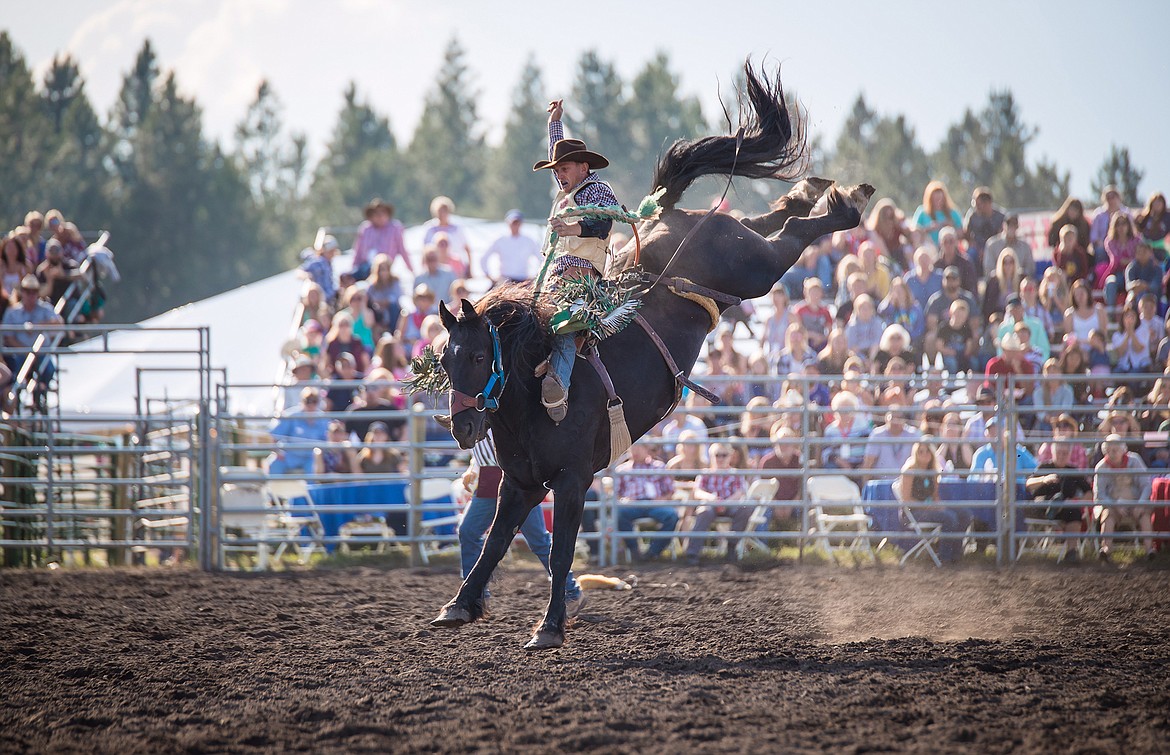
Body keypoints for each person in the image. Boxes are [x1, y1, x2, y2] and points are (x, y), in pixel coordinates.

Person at [533, 97, 621, 423]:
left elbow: (604, 223)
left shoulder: (596, 189)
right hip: (555, 278)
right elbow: (560, 151)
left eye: (564, 169)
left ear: (584, 167)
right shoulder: (569, 190)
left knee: (566, 327)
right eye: (555, 171)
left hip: (583, 280)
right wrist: (553, 122)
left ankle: (558, 386)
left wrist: (571, 226)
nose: (558, 175)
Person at [458, 429, 584, 616]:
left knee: (538, 541)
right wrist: (473, 468)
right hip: (488, 481)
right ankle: (475, 592)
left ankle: (571, 591)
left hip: (516, 484)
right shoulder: (476, 419)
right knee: (468, 531)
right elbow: (481, 450)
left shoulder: (500, 415)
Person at [897, 439, 970, 563]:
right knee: (949, 518)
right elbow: (907, 500)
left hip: (928, 508)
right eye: (921, 451)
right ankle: (944, 557)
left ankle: (956, 554)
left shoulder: (933, 471)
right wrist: (928, 507)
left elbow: (935, 496)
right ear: (915, 453)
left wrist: (938, 505)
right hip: (912, 512)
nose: (925, 454)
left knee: (964, 514)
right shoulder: (909, 471)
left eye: (928, 451)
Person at [2, 274, 64, 409]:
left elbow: (59, 323)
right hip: (20, 354)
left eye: (34, 291)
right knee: (14, 374)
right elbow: (8, 337)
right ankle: (16, 407)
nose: (31, 295)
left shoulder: (45, 308)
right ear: (22, 292)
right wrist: (26, 351)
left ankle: (39, 394)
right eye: (27, 291)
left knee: (48, 370)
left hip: (41, 353)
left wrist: (39, 325)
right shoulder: (13, 312)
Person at [1025, 439, 1091, 562]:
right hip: (1041, 507)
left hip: (1065, 508)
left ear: (1070, 455)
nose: (1061, 456)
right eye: (1059, 452)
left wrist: (1076, 500)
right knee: (1047, 500)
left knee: (1074, 512)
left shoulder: (1073, 471)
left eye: (1065, 453)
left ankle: (1071, 552)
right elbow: (1028, 483)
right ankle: (1054, 505)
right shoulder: (1044, 467)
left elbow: (1088, 491)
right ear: (1053, 452)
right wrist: (1044, 479)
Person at [684, 442, 748, 564]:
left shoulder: (736, 473)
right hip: (711, 504)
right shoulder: (705, 473)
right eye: (717, 455)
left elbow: (740, 492)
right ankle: (692, 554)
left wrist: (726, 503)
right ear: (711, 456)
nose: (720, 458)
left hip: (730, 504)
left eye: (724, 455)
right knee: (703, 511)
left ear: (730, 456)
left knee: (745, 509)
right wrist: (712, 499)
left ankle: (731, 547)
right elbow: (698, 492)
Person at [614, 442, 679, 562]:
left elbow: (670, 491)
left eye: (639, 447)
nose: (635, 451)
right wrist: (624, 500)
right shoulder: (622, 470)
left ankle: (653, 552)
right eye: (632, 447)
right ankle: (634, 551)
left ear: (647, 449)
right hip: (633, 504)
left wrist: (661, 499)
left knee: (672, 516)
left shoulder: (659, 466)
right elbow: (616, 493)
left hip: (655, 503)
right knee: (619, 514)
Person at [1093, 434, 1154, 560]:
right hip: (1113, 504)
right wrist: (1114, 505)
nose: (1113, 452)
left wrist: (1140, 503)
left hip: (1135, 501)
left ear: (1123, 449)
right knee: (1107, 515)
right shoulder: (1101, 467)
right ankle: (1106, 548)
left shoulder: (1135, 461)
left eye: (1116, 449)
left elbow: (1146, 485)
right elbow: (1099, 493)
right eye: (1109, 449)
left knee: (1144, 514)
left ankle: (1149, 549)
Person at [266, 387, 329, 476]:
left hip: (311, 458)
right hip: (289, 456)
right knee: (274, 464)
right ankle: (272, 489)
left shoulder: (323, 419)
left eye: (314, 401)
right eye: (308, 401)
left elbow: (327, 441)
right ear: (302, 401)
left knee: (315, 470)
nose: (311, 405)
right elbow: (274, 436)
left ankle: (312, 490)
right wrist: (278, 452)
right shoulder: (291, 416)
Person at [353, 198, 411, 281]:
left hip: (385, 269)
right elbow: (358, 250)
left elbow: (402, 250)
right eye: (376, 213)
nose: (380, 216)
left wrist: (411, 269)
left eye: (382, 213)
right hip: (365, 267)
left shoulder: (394, 228)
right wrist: (353, 268)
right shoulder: (365, 228)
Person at [862, 404, 921, 482]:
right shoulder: (877, 435)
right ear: (886, 419)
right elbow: (868, 463)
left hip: (907, 482)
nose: (895, 421)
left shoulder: (913, 434)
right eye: (893, 418)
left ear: (905, 419)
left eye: (899, 418)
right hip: (882, 482)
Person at [481, 210, 541, 285]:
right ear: (508, 223)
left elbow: (542, 259)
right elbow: (484, 258)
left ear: (521, 223)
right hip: (504, 280)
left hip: (522, 280)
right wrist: (489, 276)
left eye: (517, 223)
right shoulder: (500, 240)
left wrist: (535, 277)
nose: (515, 225)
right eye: (513, 223)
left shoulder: (530, 241)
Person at [422, 197, 473, 277]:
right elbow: (425, 250)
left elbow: (467, 248)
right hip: (435, 268)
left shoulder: (457, 229)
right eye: (440, 211)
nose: (442, 214)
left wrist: (470, 268)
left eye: (444, 211)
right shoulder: (429, 228)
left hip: (456, 267)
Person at [982, 213, 1035, 280]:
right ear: (1003, 225)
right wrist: (1003, 274)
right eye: (1009, 224)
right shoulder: (992, 244)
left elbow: (1030, 269)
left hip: (1018, 283)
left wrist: (1017, 273)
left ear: (1017, 227)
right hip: (998, 284)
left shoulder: (1025, 247)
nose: (1011, 227)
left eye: (1014, 224)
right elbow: (988, 269)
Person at [964, 186, 1005, 270]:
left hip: (995, 246)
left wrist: (989, 249)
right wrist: (978, 249)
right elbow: (967, 235)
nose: (977, 207)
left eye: (979, 204)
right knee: (970, 254)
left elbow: (1002, 236)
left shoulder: (1000, 217)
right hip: (977, 247)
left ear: (987, 203)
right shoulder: (972, 216)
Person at [912, 180, 964, 247]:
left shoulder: (953, 212)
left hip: (948, 248)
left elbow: (961, 233)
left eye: (940, 199)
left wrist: (950, 228)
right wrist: (928, 228)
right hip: (927, 247)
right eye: (935, 199)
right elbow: (913, 232)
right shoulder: (922, 212)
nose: (938, 202)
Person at [365, 254, 403, 341]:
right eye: (381, 270)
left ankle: (393, 332)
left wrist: (384, 302)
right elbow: (370, 299)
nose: (384, 272)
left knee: (393, 307)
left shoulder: (395, 281)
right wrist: (380, 303)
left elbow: (395, 297)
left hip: (392, 312)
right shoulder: (372, 284)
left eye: (386, 269)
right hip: (378, 312)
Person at [1089, 185, 1132, 263]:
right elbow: (1094, 236)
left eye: (1113, 197)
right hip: (1104, 245)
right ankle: (1100, 273)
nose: (1111, 200)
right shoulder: (1099, 214)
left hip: (1123, 245)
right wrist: (1102, 244)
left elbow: (1132, 232)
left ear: (1119, 197)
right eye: (1108, 197)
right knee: (1100, 251)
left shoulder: (1126, 213)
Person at [299, 234, 340, 305]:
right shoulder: (318, 262)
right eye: (331, 251)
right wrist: (307, 275)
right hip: (321, 301)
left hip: (330, 299)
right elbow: (299, 272)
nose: (333, 253)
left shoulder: (328, 264)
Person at [1134, 192, 1169, 259]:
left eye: (1159, 202)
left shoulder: (1168, 217)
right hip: (1147, 251)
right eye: (1155, 202)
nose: (1157, 204)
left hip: (1164, 252)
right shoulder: (1146, 217)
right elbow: (1139, 230)